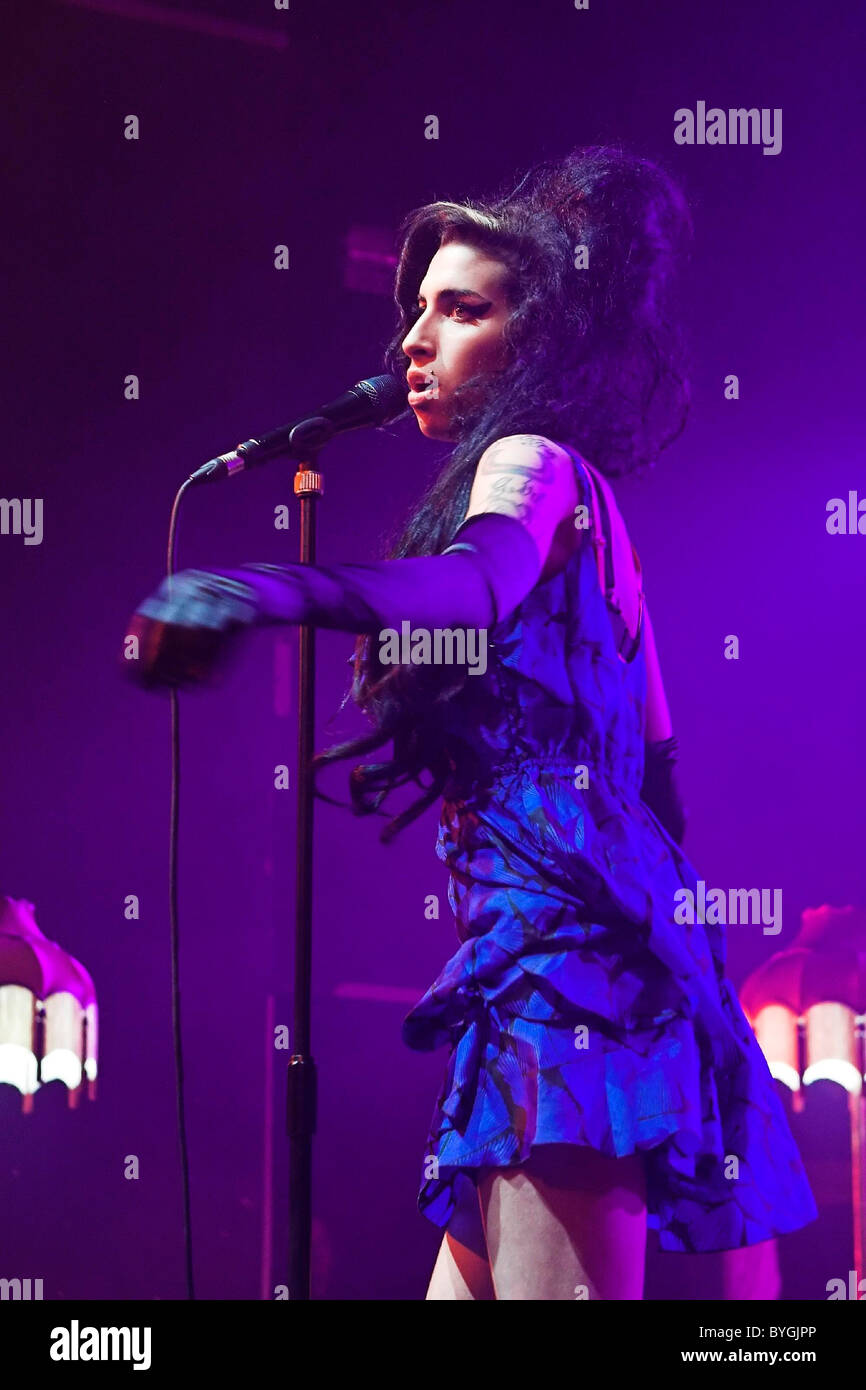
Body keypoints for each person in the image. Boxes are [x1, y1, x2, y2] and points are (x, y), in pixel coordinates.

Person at [125, 145, 818, 1300]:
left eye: (460, 309)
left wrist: (261, 591)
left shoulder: (529, 460)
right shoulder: (596, 520)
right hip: (585, 957)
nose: (414, 337)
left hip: (564, 977)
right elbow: (659, 776)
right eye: (415, 310)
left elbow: (472, 586)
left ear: (531, 341)